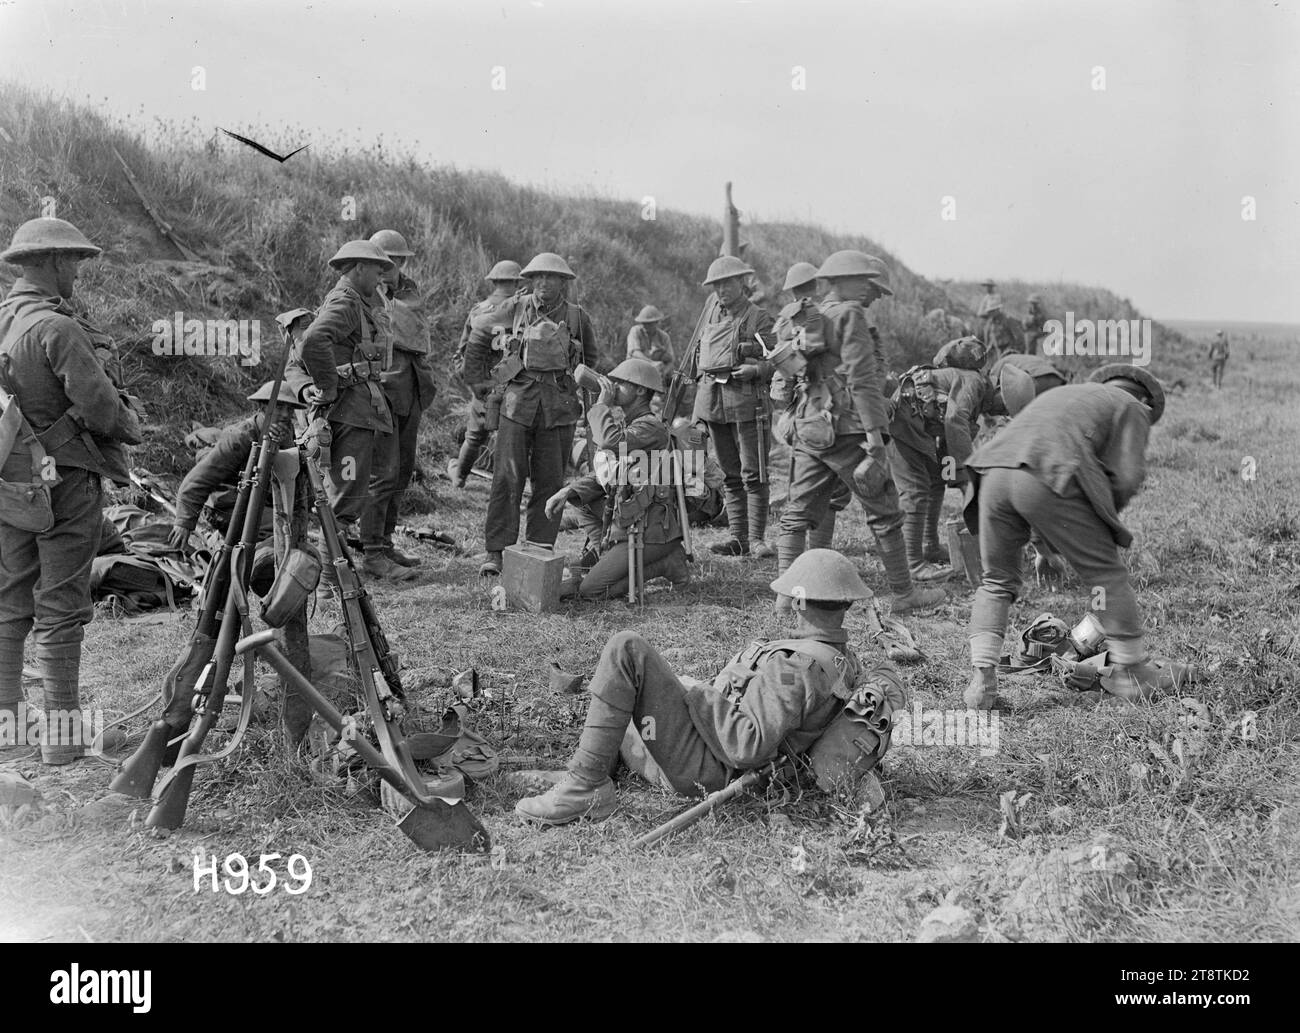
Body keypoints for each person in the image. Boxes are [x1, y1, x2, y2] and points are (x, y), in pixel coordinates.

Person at [513, 549, 896, 826]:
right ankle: (585, 773)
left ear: (798, 602)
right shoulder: (838, 658)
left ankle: (585, 787)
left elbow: (747, 745)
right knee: (635, 683)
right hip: (713, 756)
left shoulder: (796, 668)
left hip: (709, 770)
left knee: (626, 650)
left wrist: (695, 692)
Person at [0, 218, 142, 764]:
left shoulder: (7, 323)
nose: (79, 271)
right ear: (56, 262)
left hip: (13, 485)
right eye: (75, 261)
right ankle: (61, 738)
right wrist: (131, 424)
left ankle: (9, 730)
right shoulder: (57, 329)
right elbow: (105, 411)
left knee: (10, 603)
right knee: (61, 606)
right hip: (67, 484)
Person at [962, 364, 1186, 709]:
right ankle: (1132, 674)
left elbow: (1026, 457)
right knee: (1107, 575)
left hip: (992, 471)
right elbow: (1127, 477)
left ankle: (982, 683)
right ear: (1143, 398)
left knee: (996, 582)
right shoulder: (1132, 407)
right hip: (1047, 472)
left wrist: (1044, 549)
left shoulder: (1064, 396)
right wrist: (1101, 528)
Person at [771, 250, 946, 615]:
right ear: (845, 280)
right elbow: (863, 382)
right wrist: (877, 439)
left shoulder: (812, 317)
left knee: (796, 512)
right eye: (868, 283)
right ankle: (903, 594)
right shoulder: (851, 315)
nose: (873, 292)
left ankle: (785, 599)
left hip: (809, 425)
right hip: (847, 430)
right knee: (884, 511)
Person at [473, 252, 598, 576]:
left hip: (559, 411)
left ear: (563, 282)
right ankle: (496, 552)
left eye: (551, 277)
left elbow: (592, 364)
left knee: (550, 482)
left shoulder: (577, 317)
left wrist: (590, 404)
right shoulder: (514, 308)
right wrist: (480, 383)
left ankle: (538, 551)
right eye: (538, 277)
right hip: (516, 406)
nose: (544, 282)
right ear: (531, 280)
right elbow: (479, 332)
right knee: (507, 480)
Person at [287, 239, 399, 580]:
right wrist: (328, 385)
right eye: (377, 270)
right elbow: (312, 342)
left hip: (359, 411)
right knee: (345, 498)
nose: (380, 277)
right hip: (349, 412)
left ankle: (333, 570)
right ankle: (326, 580)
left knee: (352, 491)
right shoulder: (347, 302)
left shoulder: (357, 302)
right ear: (360, 268)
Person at [544, 358, 688, 598]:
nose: (612, 386)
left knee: (592, 591)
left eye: (621, 383)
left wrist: (602, 405)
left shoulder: (650, 427)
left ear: (641, 390)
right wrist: (566, 492)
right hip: (633, 520)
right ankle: (609, 555)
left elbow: (611, 443)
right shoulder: (629, 425)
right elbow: (608, 473)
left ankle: (666, 563)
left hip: (653, 531)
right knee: (581, 500)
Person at [170, 310, 313, 546]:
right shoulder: (241, 437)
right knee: (278, 532)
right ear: (262, 407)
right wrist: (184, 522)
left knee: (292, 530)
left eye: (290, 410)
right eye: (279, 408)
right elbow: (198, 479)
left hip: (259, 502)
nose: (285, 415)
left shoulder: (285, 435)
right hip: (226, 504)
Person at [362, 229, 438, 574]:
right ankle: (372, 552)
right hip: (380, 393)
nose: (395, 266)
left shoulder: (409, 290)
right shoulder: (362, 291)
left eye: (400, 260)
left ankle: (386, 543)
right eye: (389, 260)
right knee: (383, 473)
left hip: (411, 389)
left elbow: (417, 335)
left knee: (402, 472)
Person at [691, 256, 775, 558]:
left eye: (727, 282)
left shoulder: (759, 318)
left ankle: (756, 539)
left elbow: (779, 361)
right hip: (713, 401)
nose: (722, 289)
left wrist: (756, 371)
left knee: (755, 473)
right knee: (730, 474)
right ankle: (737, 538)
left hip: (748, 403)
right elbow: (697, 355)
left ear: (742, 282)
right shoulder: (709, 314)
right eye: (716, 284)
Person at [888, 336, 991, 580]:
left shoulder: (961, 378)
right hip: (904, 425)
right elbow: (955, 421)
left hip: (915, 426)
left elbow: (948, 426)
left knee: (935, 483)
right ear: (998, 391)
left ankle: (930, 546)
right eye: (1002, 406)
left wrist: (953, 474)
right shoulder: (975, 382)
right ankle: (912, 564)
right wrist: (968, 476)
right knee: (915, 491)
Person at [773, 261, 850, 550]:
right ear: (817, 285)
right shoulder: (817, 316)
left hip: (800, 410)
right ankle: (819, 554)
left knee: (805, 490)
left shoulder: (787, 320)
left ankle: (806, 565)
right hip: (826, 409)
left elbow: (782, 380)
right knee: (834, 488)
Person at [450, 259, 524, 487]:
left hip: (484, 384)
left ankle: (460, 477)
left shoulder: (479, 310)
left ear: (494, 282)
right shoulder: (523, 310)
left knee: (474, 436)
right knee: (511, 438)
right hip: (516, 382)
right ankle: (507, 488)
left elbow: (464, 349)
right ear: (516, 282)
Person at [625, 305, 674, 381]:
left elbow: (671, 360)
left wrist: (663, 373)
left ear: (656, 322)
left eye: (649, 323)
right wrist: (652, 363)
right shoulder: (635, 331)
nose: (645, 326)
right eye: (643, 323)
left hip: (655, 375)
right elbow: (634, 352)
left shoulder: (664, 337)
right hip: (635, 371)